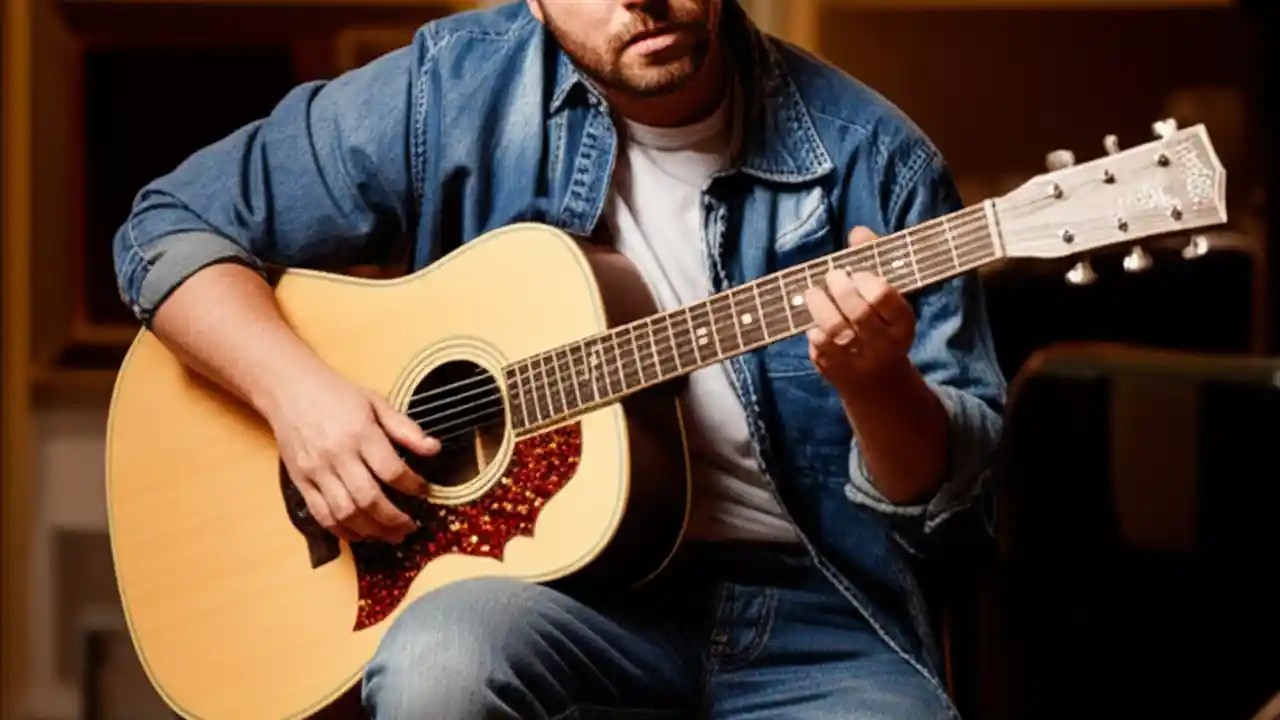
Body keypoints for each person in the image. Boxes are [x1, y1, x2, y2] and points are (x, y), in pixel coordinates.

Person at [110, 0, 1006, 717]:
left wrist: (876, 382)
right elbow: (167, 228)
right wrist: (300, 400)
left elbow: (952, 512)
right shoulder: (451, 89)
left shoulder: (876, 158)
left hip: (815, 608)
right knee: (438, 666)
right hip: (558, 594)